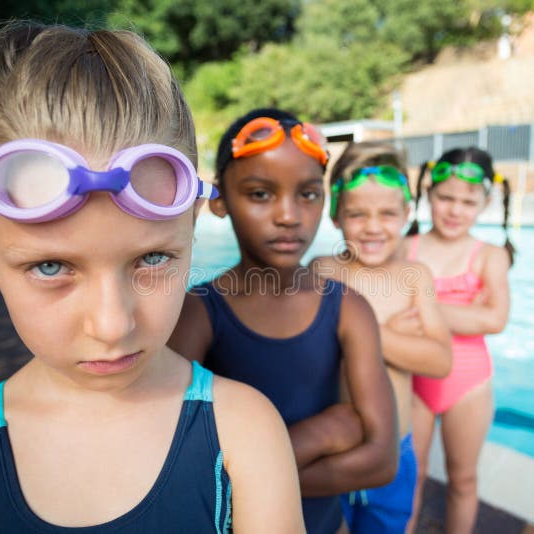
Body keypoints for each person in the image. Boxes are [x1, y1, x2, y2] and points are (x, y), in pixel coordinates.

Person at [0, 21, 305, 533]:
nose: (111, 326)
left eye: (152, 259)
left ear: (191, 227)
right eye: (50, 267)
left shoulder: (245, 435)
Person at [168, 108, 399, 534]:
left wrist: (244, 482)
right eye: (260, 194)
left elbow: (382, 460)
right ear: (219, 201)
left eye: (308, 194)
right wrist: (320, 436)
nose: (289, 215)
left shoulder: (348, 308)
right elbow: (168, 467)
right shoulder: (199, 312)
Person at [309, 141, 452, 534]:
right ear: (336, 216)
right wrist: (391, 336)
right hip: (331, 448)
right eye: (358, 214)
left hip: (394, 448)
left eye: (388, 213)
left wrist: (361, 335)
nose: (373, 227)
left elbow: (440, 361)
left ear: (407, 213)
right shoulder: (322, 272)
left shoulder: (414, 276)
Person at [404, 147, 514, 534]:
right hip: (413, 379)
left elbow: (495, 319)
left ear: (485, 203)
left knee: (463, 481)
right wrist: (466, 314)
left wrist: (423, 307)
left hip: (467, 385)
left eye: (468, 202)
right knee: (408, 478)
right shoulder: (407, 248)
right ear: (429, 194)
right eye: (446, 197)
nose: (455, 210)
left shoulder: (490, 256)